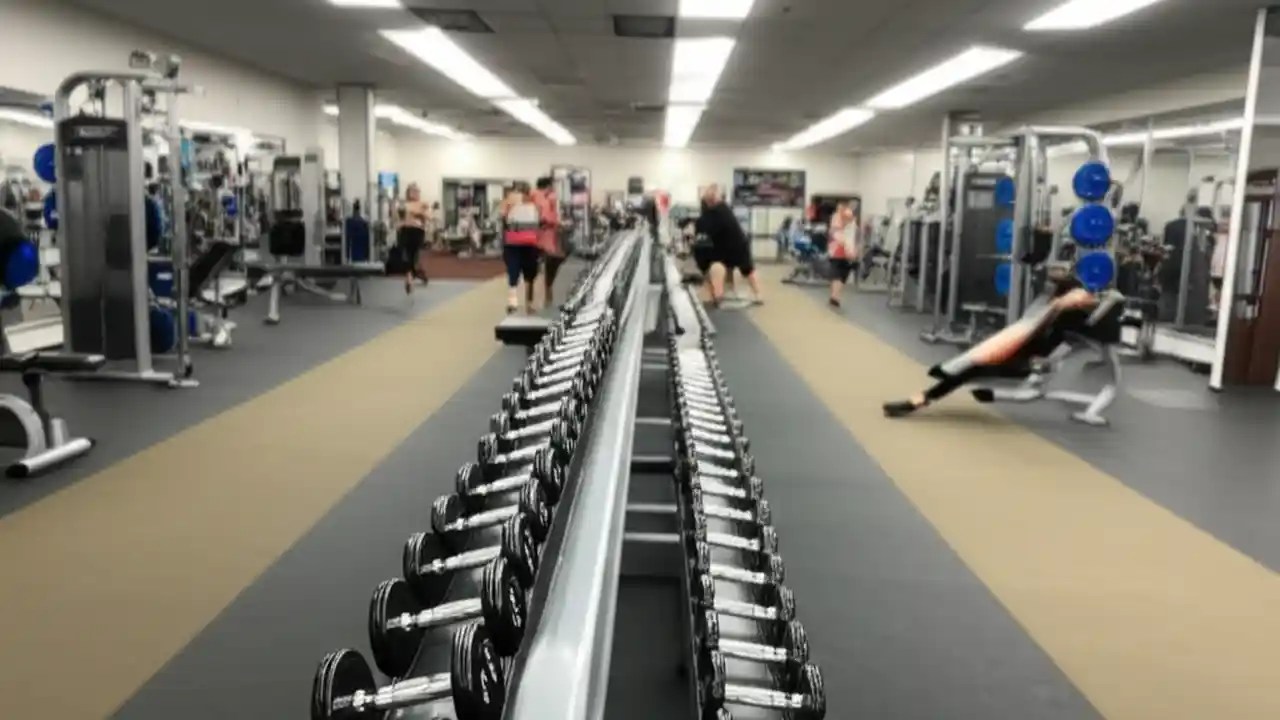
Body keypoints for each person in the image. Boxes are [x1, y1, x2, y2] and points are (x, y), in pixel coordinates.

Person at [882, 268, 1102, 418]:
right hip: (1016, 358)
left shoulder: (1064, 319)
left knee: (967, 370)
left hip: (1021, 366)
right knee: (967, 367)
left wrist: (1040, 365)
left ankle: (918, 401)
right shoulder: (1049, 315)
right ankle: (921, 399)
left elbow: (1059, 348)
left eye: (1053, 290)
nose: (1047, 293)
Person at [696, 184, 763, 307]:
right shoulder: (725, 210)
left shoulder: (709, 215)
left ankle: (717, 295)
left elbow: (703, 238)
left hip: (729, 247)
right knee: (747, 269)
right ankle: (758, 295)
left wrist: (701, 259)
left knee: (714, 265)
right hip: (739, 244)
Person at [499, 182, 542, 314]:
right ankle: (528, 305)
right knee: (530, 275)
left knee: (513, 274)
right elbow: (539, 220)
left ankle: (513, 303)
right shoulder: (534, 202)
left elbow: (502, 217)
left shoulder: (508, 201)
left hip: (513, 242)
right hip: (530, 242)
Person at [530, 177, 564, 307]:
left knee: (549, 266)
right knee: (540, 268)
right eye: (551, 185)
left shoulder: (549, 197)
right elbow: (543, 216)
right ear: (547, 186)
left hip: (547, 237)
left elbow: (553, 215)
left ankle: (546, 296)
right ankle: (542, 297)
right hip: (540, 237)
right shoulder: (537, 196)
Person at [396, 183, 429, 294]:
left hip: (417, 232)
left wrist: (419, 214)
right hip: (405, 230)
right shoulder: (403, 204)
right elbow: (397, 217)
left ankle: (411, 276)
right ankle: (409, 277)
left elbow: (428, 217)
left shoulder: (422, 204)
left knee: (413, 256)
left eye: (416, 191)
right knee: (405, 256)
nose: (415, 193)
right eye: (412, 191)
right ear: (408, 193)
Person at [827, 202, 859, 308]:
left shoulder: (840, 219)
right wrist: (851, 251)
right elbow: (843, 237)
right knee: (840, 275)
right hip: (841, 251)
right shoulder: (843, 218)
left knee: (839, 275)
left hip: (838, 251)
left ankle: (835, 296)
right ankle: (835, 297)